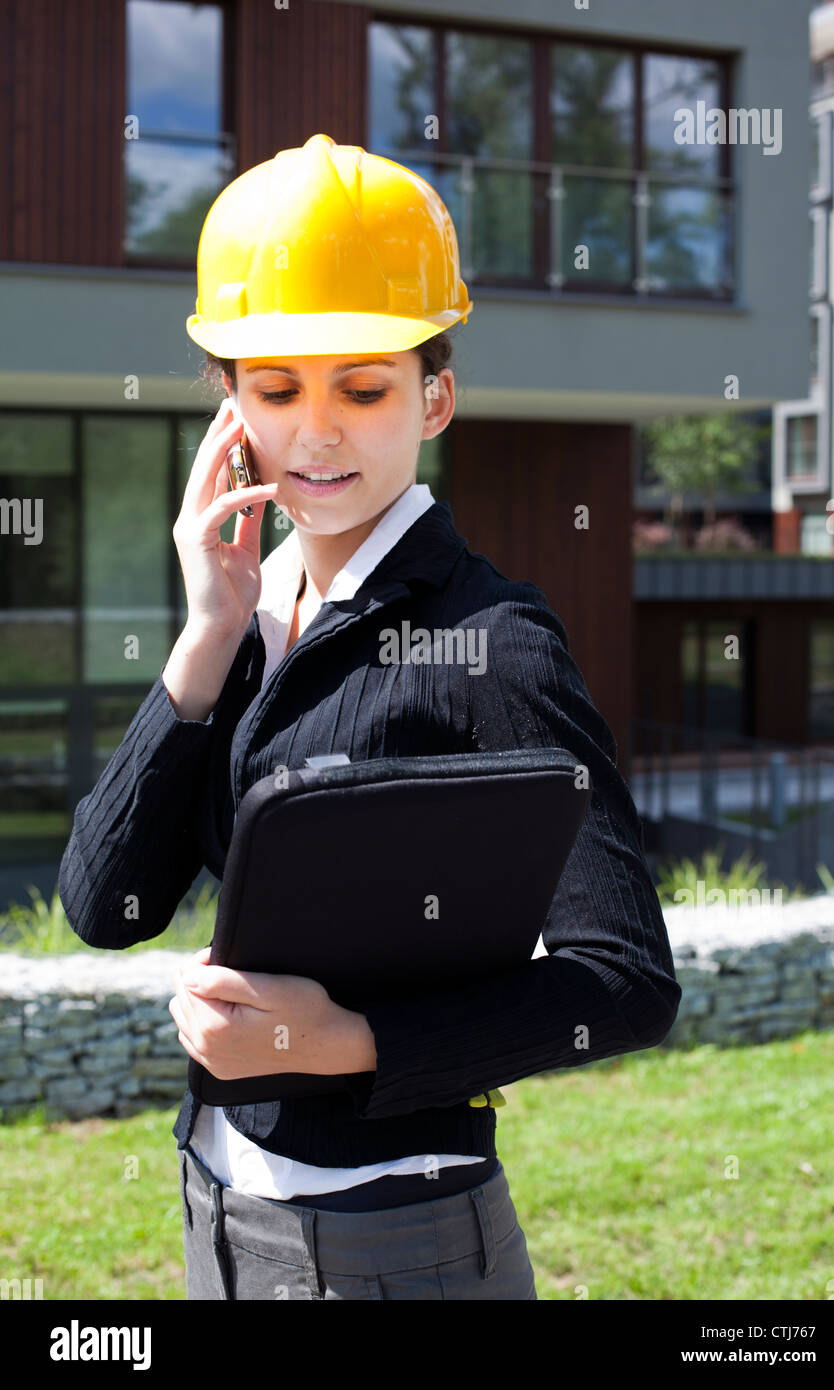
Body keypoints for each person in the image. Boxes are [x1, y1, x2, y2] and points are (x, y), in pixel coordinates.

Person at [58, 133, 681, 1301]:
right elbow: (104, 908)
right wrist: (203, 637)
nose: (319, 431)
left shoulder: (494, 640)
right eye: (277, 388)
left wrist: (336, 1041)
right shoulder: (240, 619)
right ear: (229, 408)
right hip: (216, 1211)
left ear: (432, 397)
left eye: (363, 386)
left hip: (394, 1247)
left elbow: (627, 981)